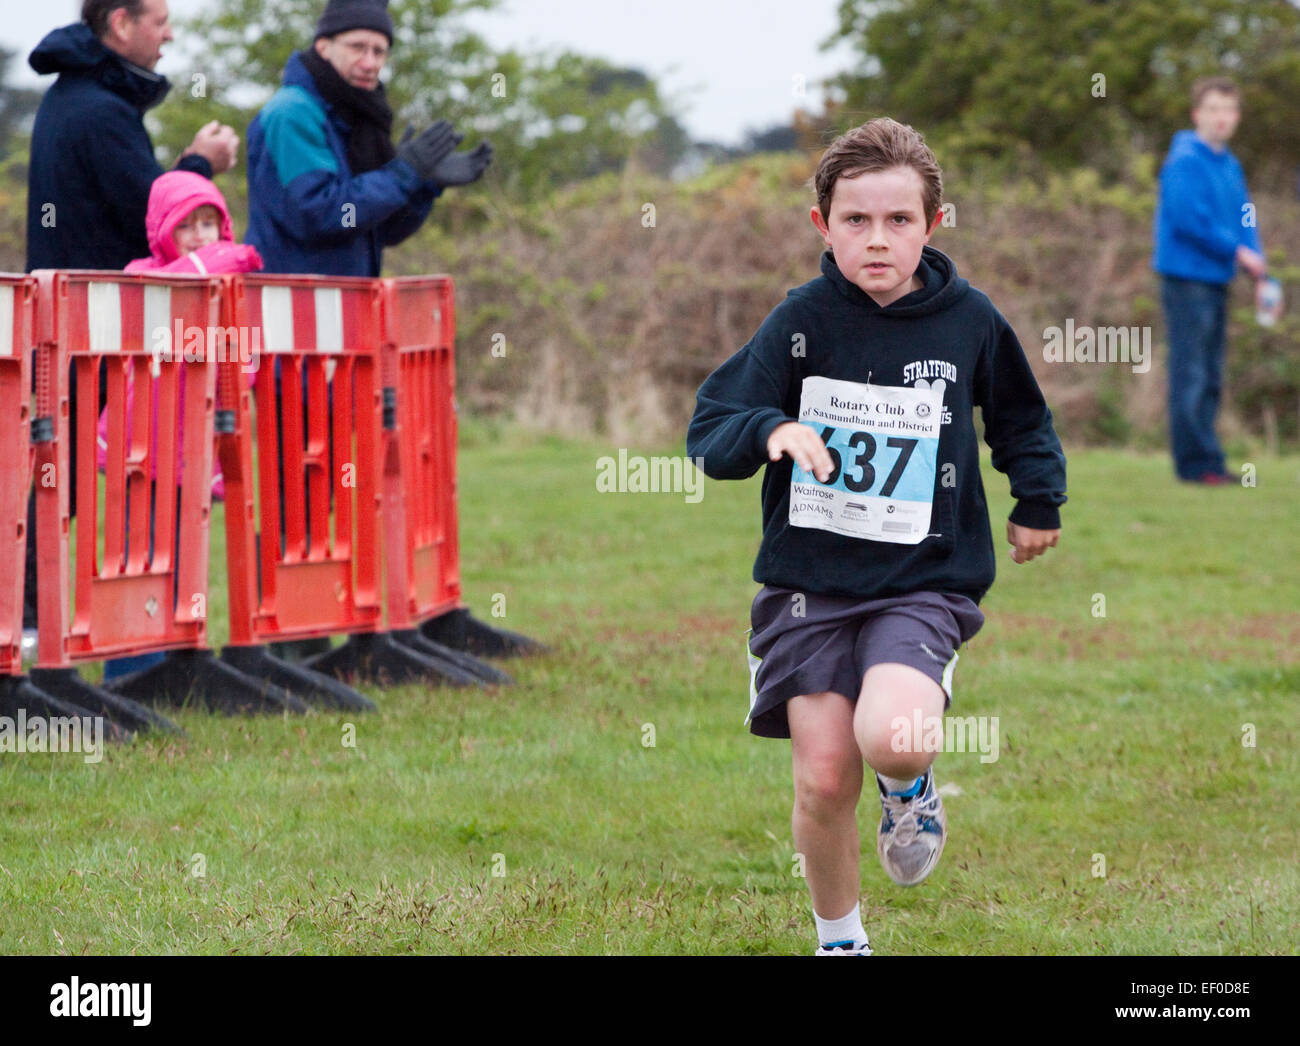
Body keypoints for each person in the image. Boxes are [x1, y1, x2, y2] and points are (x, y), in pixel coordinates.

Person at [687, 118, 1066, 956]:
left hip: (923, 579)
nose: (878, 239)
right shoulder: (801, 320)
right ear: (823, 226)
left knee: (892, 735)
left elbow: (1020, 419)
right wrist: (770, 432)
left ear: (934, 224)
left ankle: (911, 785)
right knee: (824, 778)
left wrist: (1037, 499)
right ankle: (842, 941)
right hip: (806, 587)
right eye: (855, 221)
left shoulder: (969, 320)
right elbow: (715, 424)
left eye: (899, 220)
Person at [23, 0, 239, 675]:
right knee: (64, 479)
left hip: (82, 325)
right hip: (92, 330)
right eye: (159, 19)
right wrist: (198, 168)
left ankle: (48, 633)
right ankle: (48, 639)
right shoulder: (100, 112)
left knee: (56, 477)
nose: (170, 32)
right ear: (119, 23)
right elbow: (158, 216)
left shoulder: (80, 100)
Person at [246, 0, 492, 277]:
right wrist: (401, 175)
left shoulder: (360, 115)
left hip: (345, 307)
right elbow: (324, 216)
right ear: (323, 47)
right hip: (289, 307)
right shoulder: (293, 113)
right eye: (357, 47)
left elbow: (379, 231)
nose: (370, 63)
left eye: (379, 51)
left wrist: (423, 185)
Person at [1153, 76, 1269, 485]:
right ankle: (1195, 466)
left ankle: (1210, 462)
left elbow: (1244, 217)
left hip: (1218, 278)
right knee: (1193, 373)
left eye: (1229, 109)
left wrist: (1259, 264)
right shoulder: (1184, 159)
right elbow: (1189, 220)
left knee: (1212, 373)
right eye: (1214, 108)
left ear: (1237, 116)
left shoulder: (1230, 162)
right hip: (1187, 279)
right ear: (1197, 114)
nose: (1222, 118)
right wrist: (1238, 253)